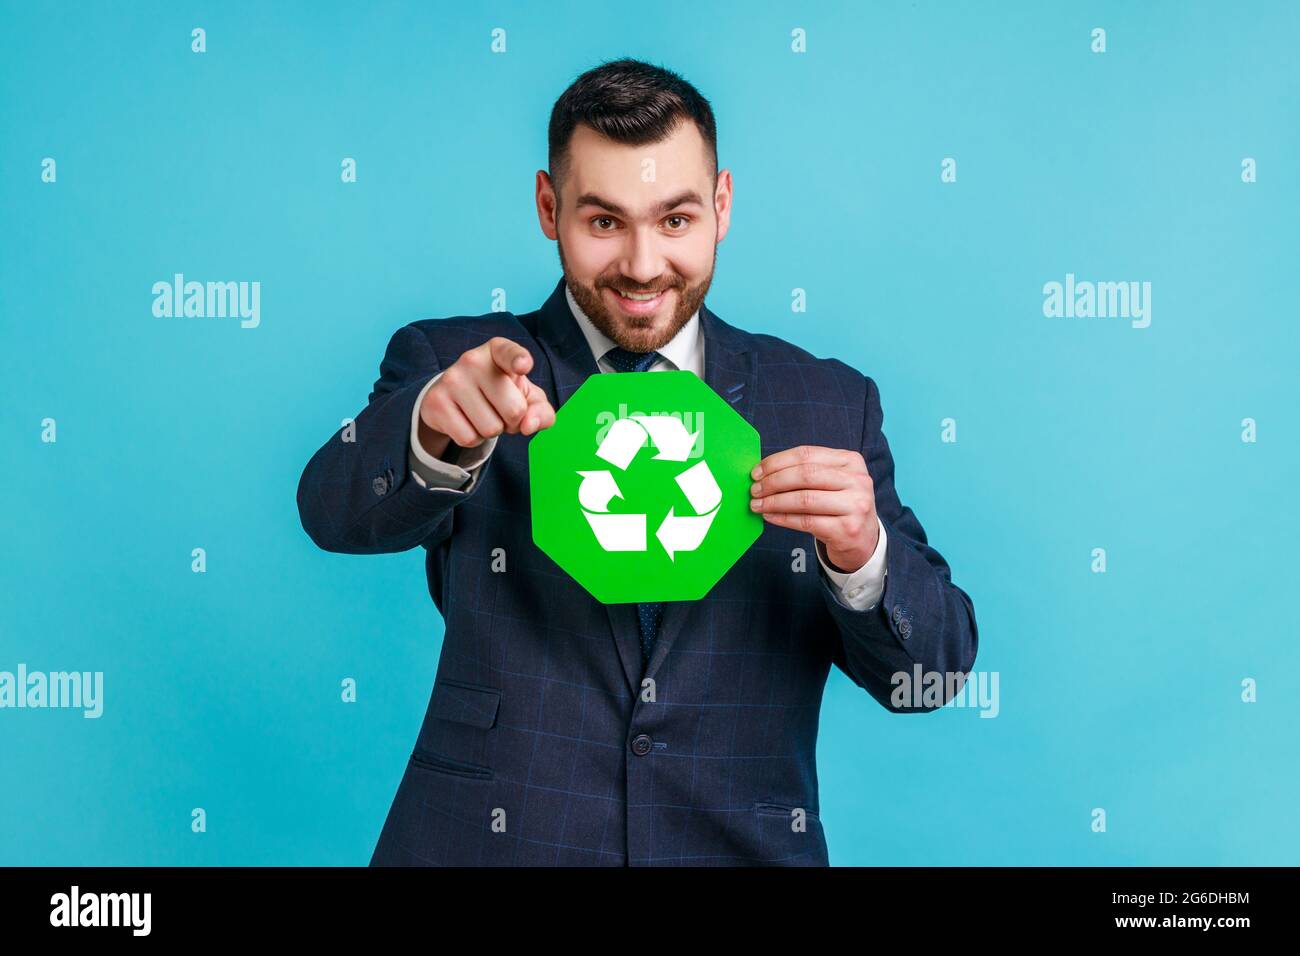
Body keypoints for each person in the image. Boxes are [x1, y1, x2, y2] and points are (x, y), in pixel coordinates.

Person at [296, 58, 978, 866]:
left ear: (723, 205)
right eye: (605, 222)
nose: (645, 266)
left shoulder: (826, 403)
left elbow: (930, 676)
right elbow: (331, 509)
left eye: (676, 221)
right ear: (550, 208)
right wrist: (431, 430)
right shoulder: (462, 365)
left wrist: (864, 557)